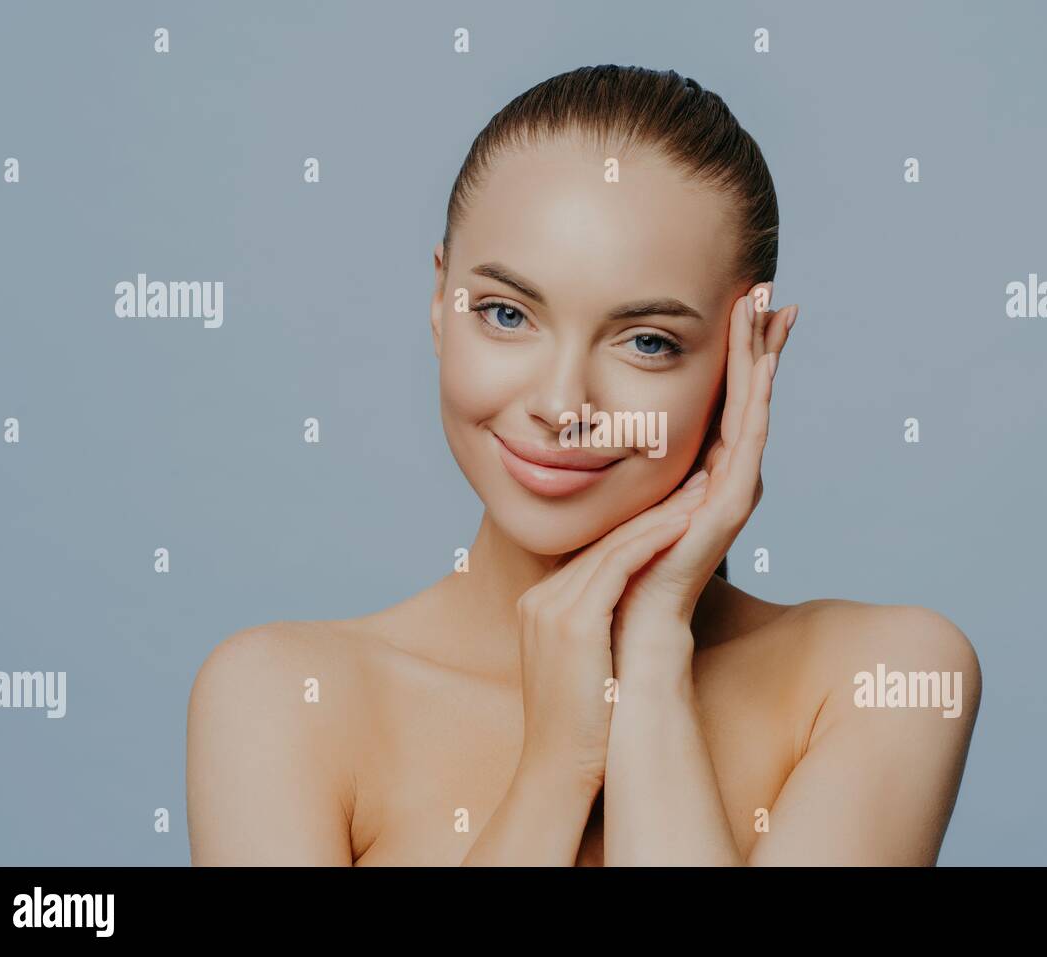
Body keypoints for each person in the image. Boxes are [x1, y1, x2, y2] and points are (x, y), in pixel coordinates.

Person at [186, 65, 981, 866]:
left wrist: (652, 655)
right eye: (506, 314)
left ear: (744, 361)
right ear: (440, 302)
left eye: (647, 341)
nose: (562, 403)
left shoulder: (884, 675)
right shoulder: (280, 700)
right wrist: (555, 767)